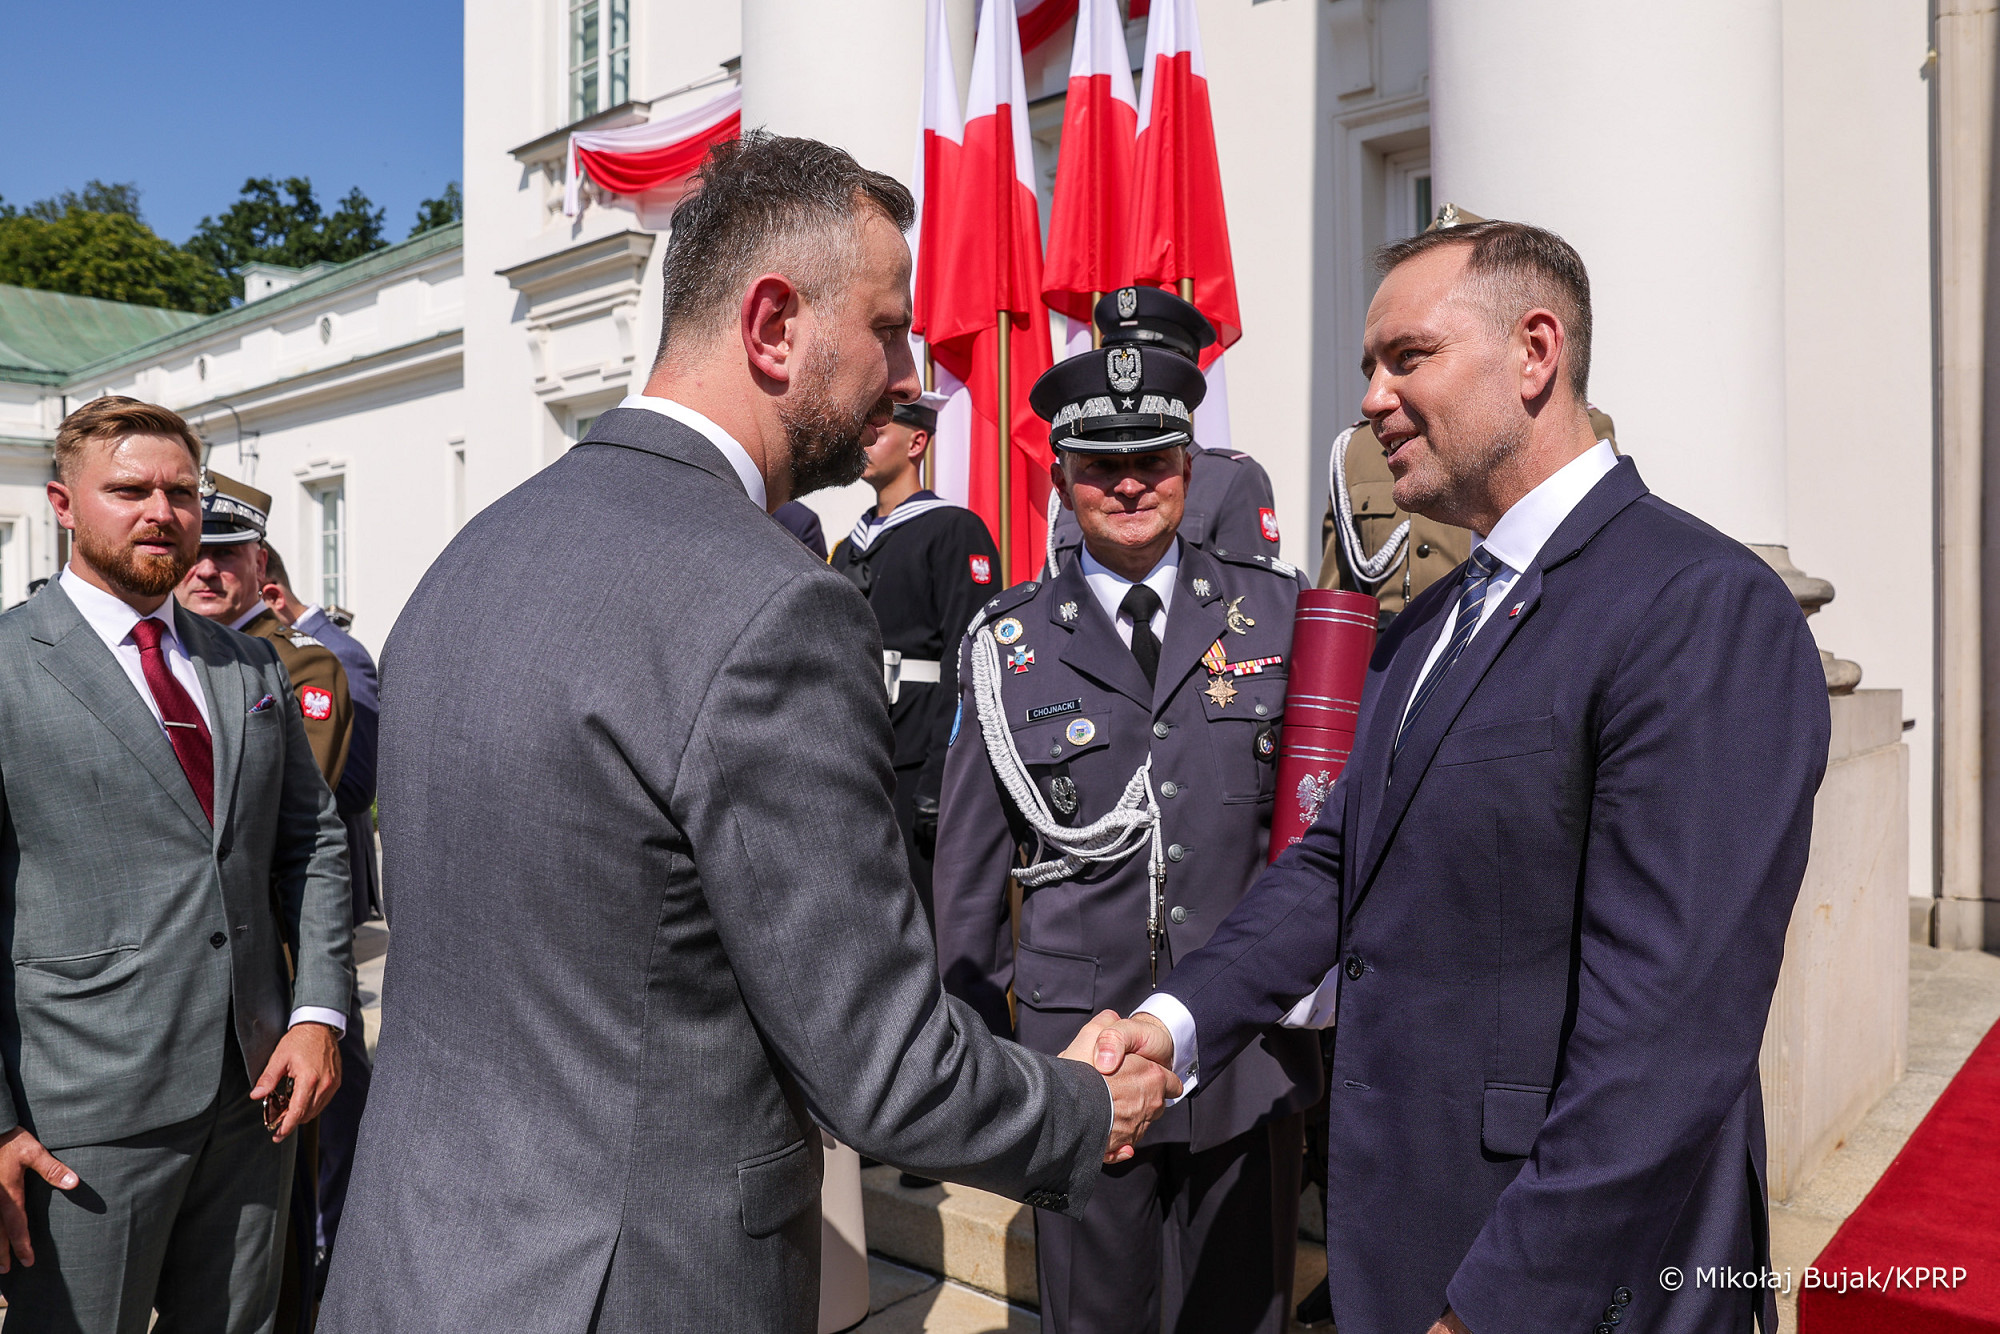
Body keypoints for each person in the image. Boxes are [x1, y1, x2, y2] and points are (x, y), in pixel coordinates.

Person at [318, 132, 1178, 1334]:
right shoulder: (771, 603)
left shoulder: (472, 554)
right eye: (885, 327)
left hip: (414, 1267)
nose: (903, 370)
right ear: (774, 324)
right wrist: (1086, 1104)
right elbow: (885, 1068)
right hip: (630, 1287)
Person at [1091, 221, 1831, 1334]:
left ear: (1534, 352)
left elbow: (1665, 1036)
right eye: (1365, 370)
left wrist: (1500, 1307)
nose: (1373, 400)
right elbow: (1339, 862)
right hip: (1408, 1239)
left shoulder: (1696, 605)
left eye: (1406, 357)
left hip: (1568, 1277)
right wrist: (1174, 1020)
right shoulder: (1428, 621)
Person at [933, 337, 1321, 1334]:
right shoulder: (1005, 645)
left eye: (1151, 458)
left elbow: (1323, 843)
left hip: (1243, 1053)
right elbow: (970, 882)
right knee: (1093, 1319)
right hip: (1077, 1061)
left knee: (1243, 1314)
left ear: (1189, 467)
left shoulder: (1279, 614)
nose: (1129, 483)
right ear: (1060, 474)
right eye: (1101, 463)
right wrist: (983, 1070)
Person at [0, 396, 351, 1331]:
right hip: (81, 1113)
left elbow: (311, 843)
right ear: (63, 503)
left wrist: (318, 1012)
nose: (162, 511)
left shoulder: (250, 667)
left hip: (255, 1095)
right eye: (130, 490)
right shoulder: (7, 666)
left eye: (181, 492)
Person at [258, 547, 380, 1292]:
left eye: (225, 554)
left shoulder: (315, 661)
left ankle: (342, 1255)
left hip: (294, 947)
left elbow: (337, 799)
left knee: (334, 1120)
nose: (203, 572)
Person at [830, 390, 1001, 923]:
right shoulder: (848, 547)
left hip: (919, 759)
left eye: (880, 428)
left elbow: (967, 658)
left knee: (932, 930)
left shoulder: (952, 530)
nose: (867, 438)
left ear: (917, 441)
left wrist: (939, 778)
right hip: (862, 758)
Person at [1047, 287, 1281, 568]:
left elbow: (1248, 592)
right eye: (1120, 359)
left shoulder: (1229, 478)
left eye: (1155, 365)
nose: (1131, 376)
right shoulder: (1080, 478)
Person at [178, 472, 355, 790]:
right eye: (192, 554)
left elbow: (301, 796)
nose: (205, 571)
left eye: (225, 554)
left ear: (260, 565)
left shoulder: (304, 663)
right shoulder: (159, 647)